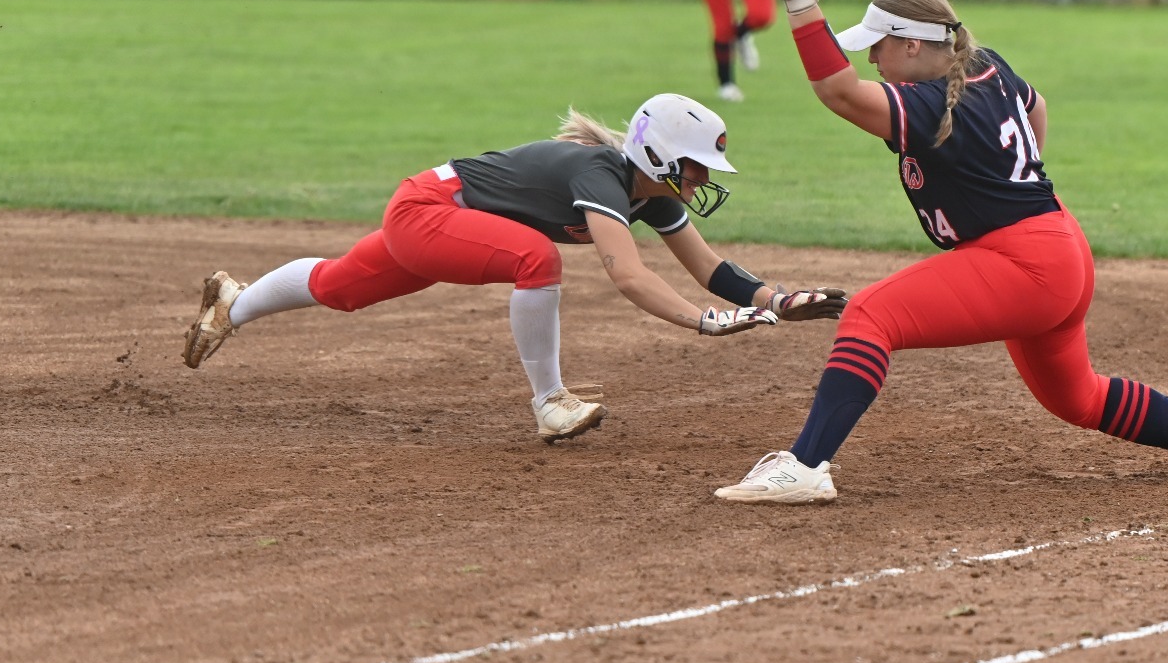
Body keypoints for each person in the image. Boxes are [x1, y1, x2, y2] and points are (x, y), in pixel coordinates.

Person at [715, 0, 1168, 502]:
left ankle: (805, 467)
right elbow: (1035, 110)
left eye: (878, 47)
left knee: (868, 317)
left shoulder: (934, 103)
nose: (875, 60)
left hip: (1024, 262)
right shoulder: (985, 63)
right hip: (1062, 247)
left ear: (912, 44)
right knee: (1078, 398)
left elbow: (838, 92)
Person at [182, 94, 846, 443]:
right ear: (662, 158)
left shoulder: (651, 196)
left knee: (338, 286)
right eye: (698, 166)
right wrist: (702, 324)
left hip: (436, 215)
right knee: (538, 257)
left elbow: (710, 269)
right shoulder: (601, 175)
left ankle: (230, 306)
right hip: (427, 208)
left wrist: (777, 301)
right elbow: (627, 275)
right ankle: (551, 403)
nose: (704, 180)